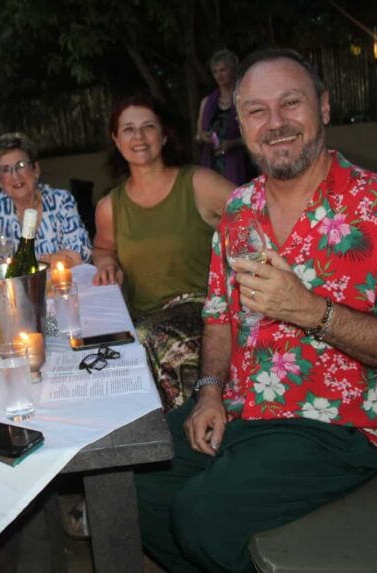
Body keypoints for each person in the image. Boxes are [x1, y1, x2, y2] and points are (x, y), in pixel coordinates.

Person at [135, 49, 377, 573]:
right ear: (242, 124)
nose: (275, 124)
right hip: (240, 407)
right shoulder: (239, 209)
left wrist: (312, 312)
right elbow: (217, 315)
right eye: (256, 110)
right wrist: (208, 392)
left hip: (336, 424)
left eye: (290, 103)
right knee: (133, 488)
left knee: (200, 515)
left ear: (322, 107)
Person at [92, 93, 233, 412]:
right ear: (116, 140)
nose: (138, 137)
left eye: (148, 127)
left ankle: (191, 428)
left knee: (146, 341)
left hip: (206, 314)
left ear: (164, 134)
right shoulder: (110, 207)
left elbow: (256, 220)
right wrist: (106, 263)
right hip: (147, 322)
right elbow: (102, 247)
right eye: (128, 129)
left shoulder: (199, 183)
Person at [0, 132, 92, 266]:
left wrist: (14, 266)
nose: (15, 175)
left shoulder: (60, 201)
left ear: (36, 170)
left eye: (21, 165)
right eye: (5, 170)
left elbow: (82, 252)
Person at [197, 49, 251, 185]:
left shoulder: (245, 100)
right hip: (211, 162)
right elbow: (198, 135)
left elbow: (255, 135)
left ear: (233, 70)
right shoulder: (207, 102)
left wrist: (233, 143)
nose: (219, 75)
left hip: (240, 164)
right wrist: (203, 137)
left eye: (223, 70)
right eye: (215, 72)